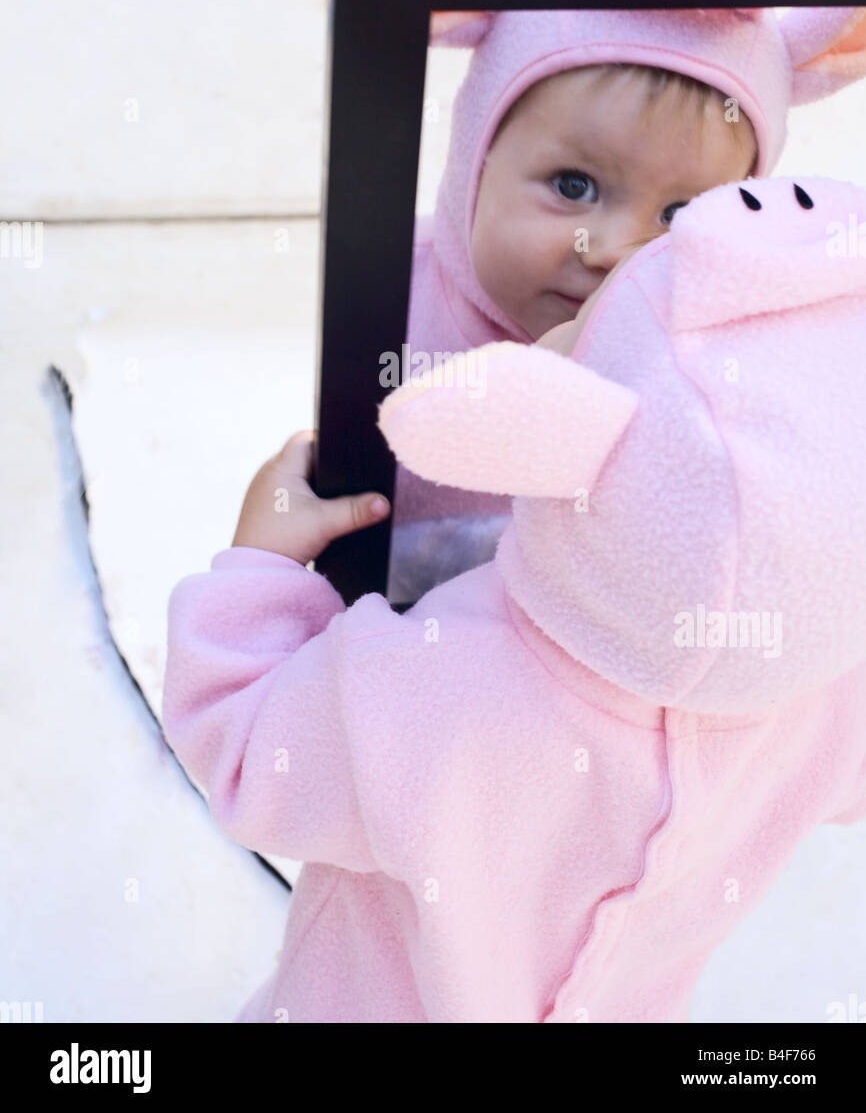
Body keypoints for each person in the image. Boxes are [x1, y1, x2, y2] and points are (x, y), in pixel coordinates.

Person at [163, 173, 866, 1023]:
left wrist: (259, 565)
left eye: (583, 337)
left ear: (553, 431)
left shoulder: (434, 686)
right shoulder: (826, 707)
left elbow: (242, 744)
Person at [386, 5, 866, 602]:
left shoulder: (720, 348)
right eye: (572, 185)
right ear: (473, 164)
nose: (613, 251)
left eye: (678, 215)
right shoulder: (389, 298)